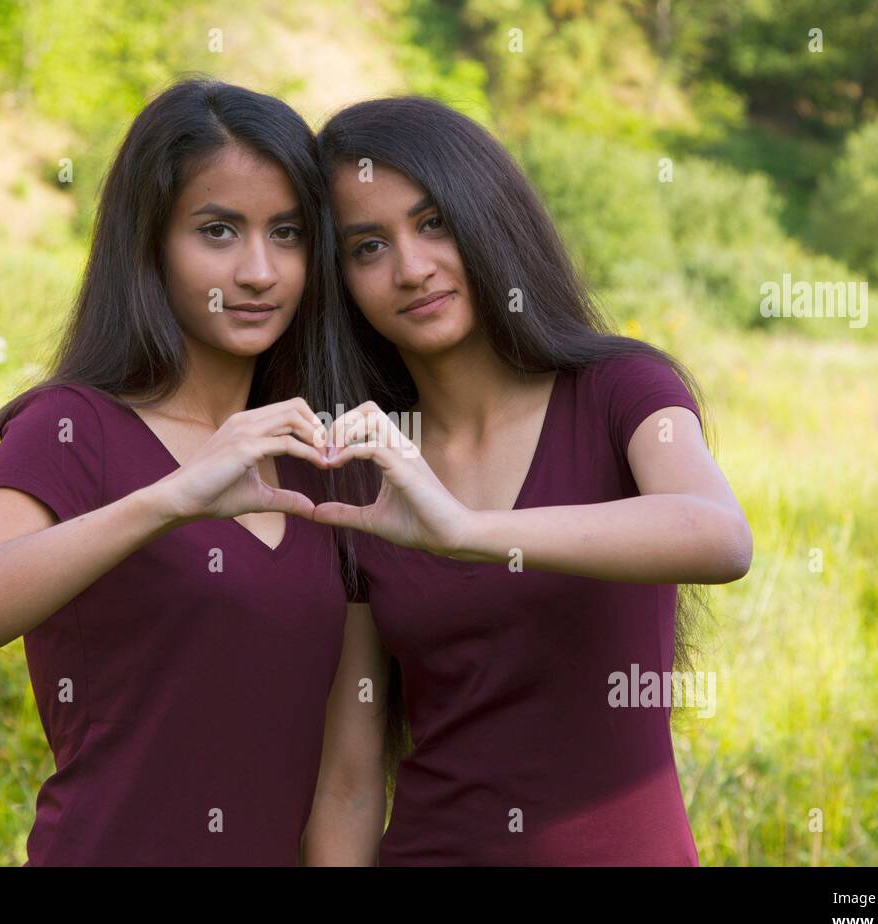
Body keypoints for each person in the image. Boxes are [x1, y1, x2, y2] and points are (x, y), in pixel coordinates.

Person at [0, 78, 366, 865]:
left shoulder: (319, 456)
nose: (259, 271)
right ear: (149, 244)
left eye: (287, 234)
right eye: (217, 231)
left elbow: (343, 780)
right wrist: (169, 500)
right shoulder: (74, 429)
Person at [301, 96, 753, 865]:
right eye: (368, 247)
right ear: (339, 278)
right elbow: (347, 783)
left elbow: (719, 536)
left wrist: (466, 533)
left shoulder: (621, 389)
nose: (412, 268)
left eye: (434, 222)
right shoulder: (366, 468)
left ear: (489, 216)